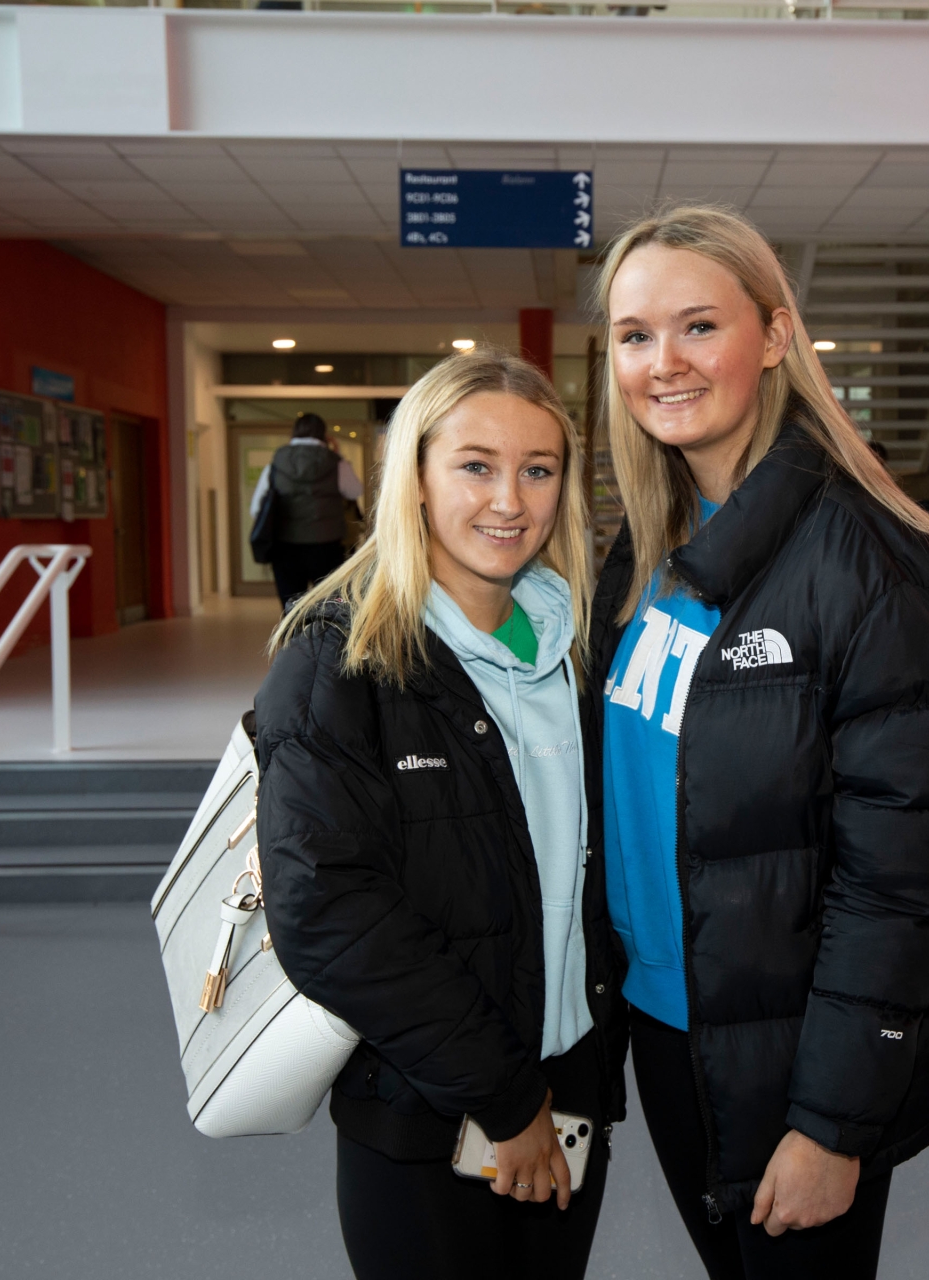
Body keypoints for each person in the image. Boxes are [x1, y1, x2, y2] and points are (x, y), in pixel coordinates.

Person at [590, 205, 929, 1280]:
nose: (662, 363)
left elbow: (911, 878)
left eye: (697, 326)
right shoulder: (644, 546)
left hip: (793, 1051)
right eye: (634, 335)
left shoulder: (872, 561)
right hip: (669, 1024)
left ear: (775, 337)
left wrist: (831, 1122)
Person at [254, 350, 625, 1280]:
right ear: (412, 479)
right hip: (427, 1108)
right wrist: (507, 1100)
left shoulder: (584, 644)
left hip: (570, 1081)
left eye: (538, 470)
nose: (510, 500)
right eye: (475, 466)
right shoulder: (338, 656)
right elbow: (329, 912)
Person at [251, 411, 365, 608]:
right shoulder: (335, 462)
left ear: (294, 433)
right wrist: (337, 454)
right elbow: (355, 490)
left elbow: (256, 508)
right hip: (326, 546)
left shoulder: (277, 463)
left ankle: (296, 638)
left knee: (292, 609)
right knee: (329, 607)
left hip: (285, 547)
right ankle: (323, 639)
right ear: (324, 435)